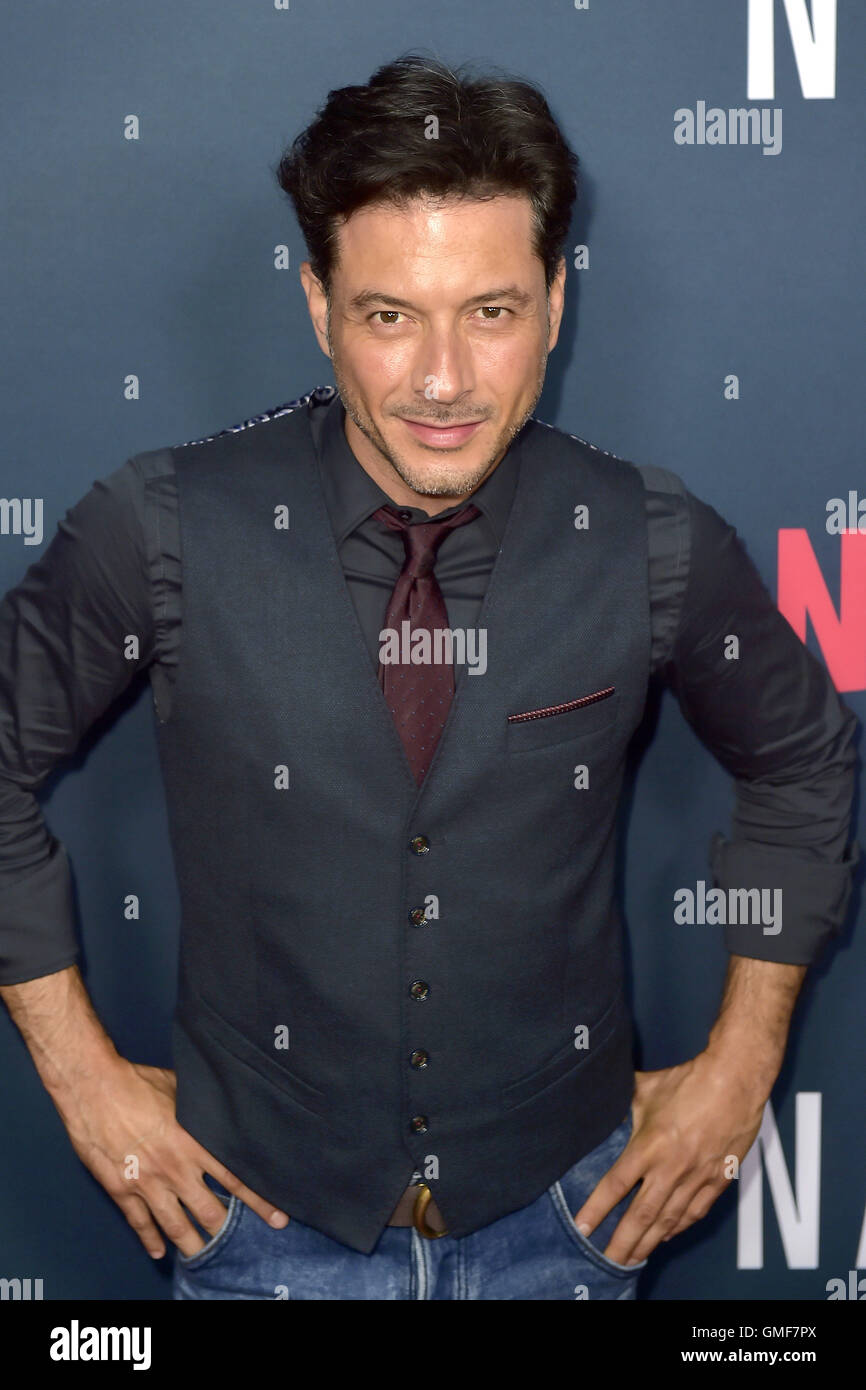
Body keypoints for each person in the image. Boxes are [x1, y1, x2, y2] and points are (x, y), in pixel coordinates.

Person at [0, 53, 859, 1302]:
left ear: (556, 303)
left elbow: (800, 760)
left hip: (565, 1228)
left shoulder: (649, 537)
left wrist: (740, 1060)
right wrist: (77, 1069)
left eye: (491, 311)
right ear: (317, 305)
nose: (442, 380)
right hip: (252, 1234)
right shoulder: (162, 525)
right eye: (390, 314)